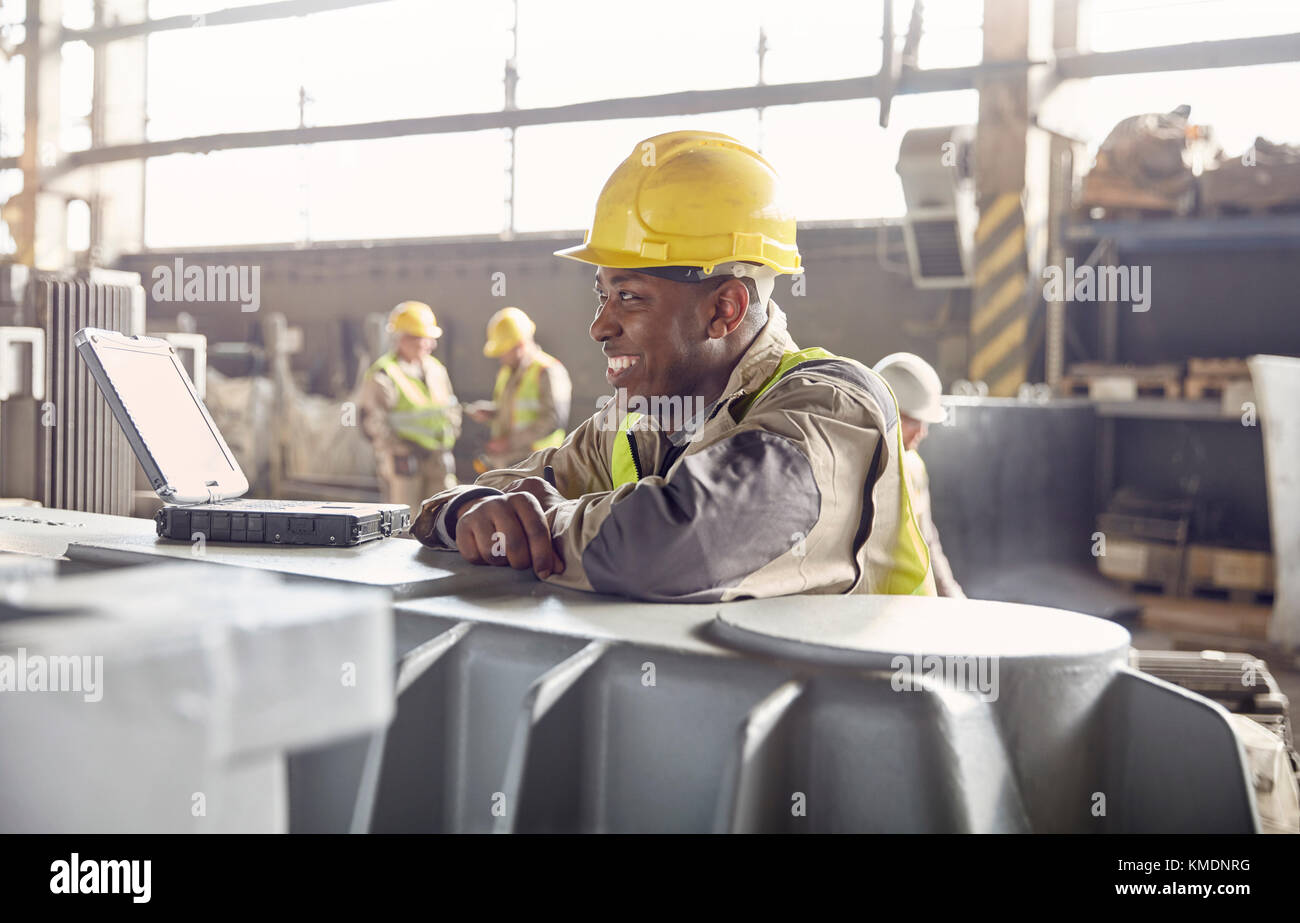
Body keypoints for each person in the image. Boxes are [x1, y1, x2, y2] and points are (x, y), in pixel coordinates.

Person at [411, 130, 934, 601]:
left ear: (722, 310)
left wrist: (538, 526)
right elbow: (472, 500)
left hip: (868, 701)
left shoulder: (832, 407)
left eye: (630, 296)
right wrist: (465, 511)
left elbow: (674, 546)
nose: (600, 326)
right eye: (602, 295)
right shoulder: (632, 426)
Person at [873, 353, 965, 598]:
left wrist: (954, 598)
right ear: (884, 411)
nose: (922, 432)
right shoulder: (856, 467)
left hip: (915, 608)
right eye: (914, 420)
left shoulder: (913, 466)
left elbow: (928, 540)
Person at [359, 301, 461, 519]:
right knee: (404, 519)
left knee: (443, 516)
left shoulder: (436, 369)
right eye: (425, 338)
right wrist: (399, 449)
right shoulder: (384, 374)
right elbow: (372, 422)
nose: (430, 345)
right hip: (404, 460)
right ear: (404, 338)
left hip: (437, 457)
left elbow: (451, 408)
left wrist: (449, 437)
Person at [468, 306, 572, 471]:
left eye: (503, 351)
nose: (500, 357)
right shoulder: (506, 372)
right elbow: (513, 410)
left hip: (539, 464)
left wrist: (509, 442)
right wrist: (492, 412)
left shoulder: (548, 371)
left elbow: (553, 420)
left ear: (520, 345)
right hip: (508, 463)